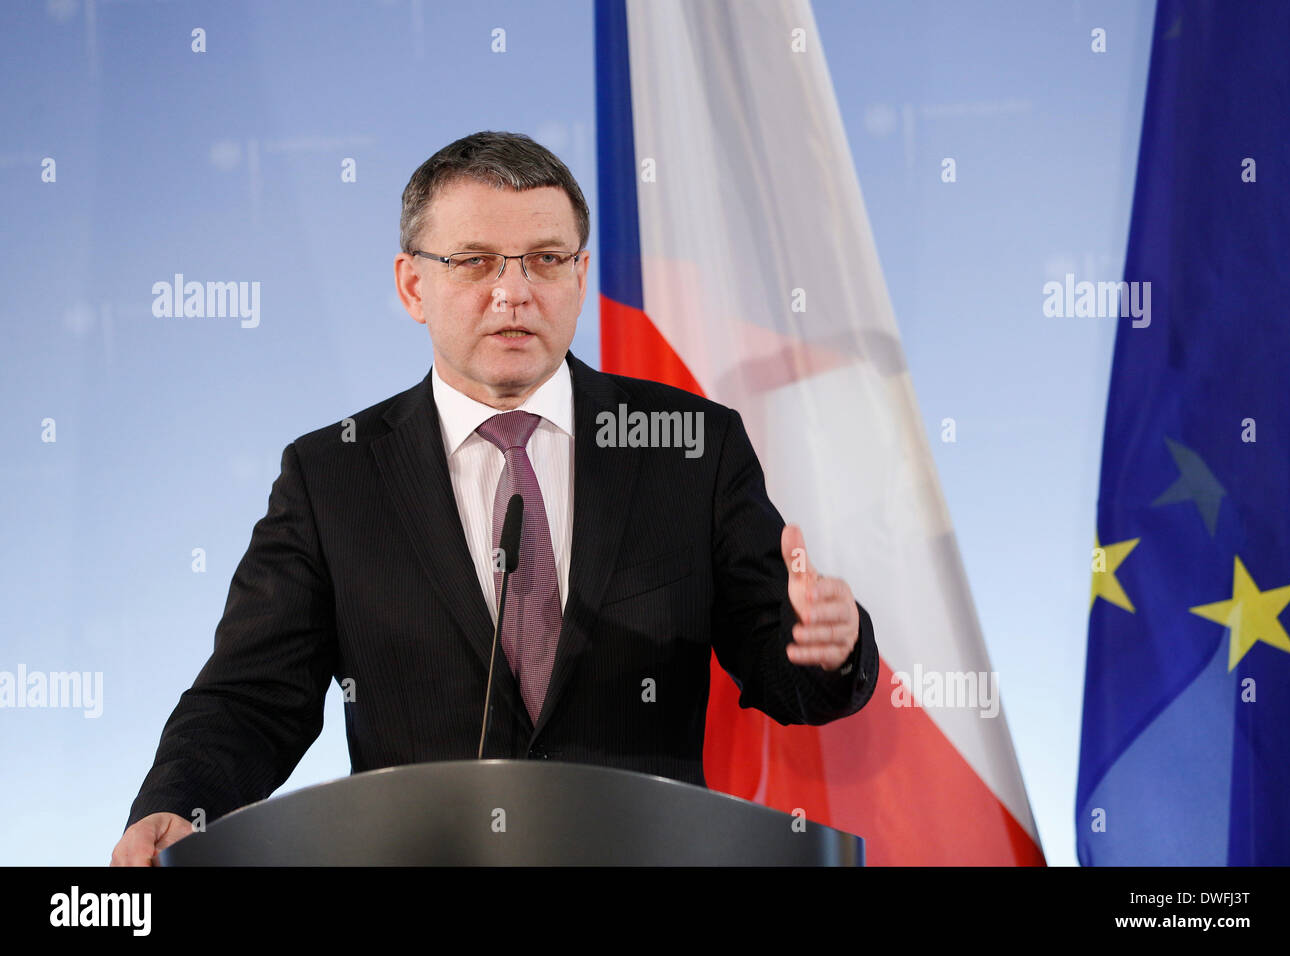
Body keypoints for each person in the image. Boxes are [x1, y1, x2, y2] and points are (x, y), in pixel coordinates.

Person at [110, 131, 879, 866]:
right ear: (414, 285)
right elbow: (251, 699)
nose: (513, 292)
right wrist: (179, 803)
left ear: (580, 277)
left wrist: (829, 645)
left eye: (545, 260)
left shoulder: (689, 447)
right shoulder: (331, 477)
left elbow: (782, 670)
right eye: (475, 262)